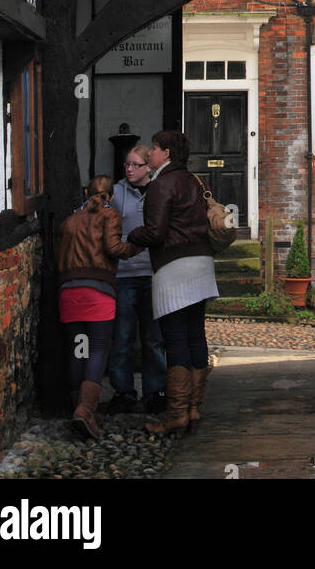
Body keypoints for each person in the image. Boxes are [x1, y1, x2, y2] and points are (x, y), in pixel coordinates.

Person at [127, 130, 218, 437]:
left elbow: (155, 232)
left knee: (175, 338)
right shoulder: (195, 181)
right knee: (195, 335)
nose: (150, 154)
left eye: (153, 149)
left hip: (174, 267)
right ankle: (193, 409)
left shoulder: (160, 186)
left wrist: (130, 237)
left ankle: (176, 415)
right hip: (202, 263)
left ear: (166, 153)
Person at [57, 175, 138, 439]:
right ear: (111, 196)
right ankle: (85, 411)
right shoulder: (109, 215)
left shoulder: (70, 221)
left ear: (85, 192)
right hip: (98, 293)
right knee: (98, 349)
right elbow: (113, 248)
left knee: (79, 348)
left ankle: (74, 406)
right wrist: (137, 246)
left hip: (70, 292)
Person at [108, 144, 168, 415]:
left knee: (153, 338)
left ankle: (155, 391)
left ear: (148, 167)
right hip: (123, 274)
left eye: (135, 165)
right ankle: (123, 392)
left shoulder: (160, 190)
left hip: (153, 273)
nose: (129, 170)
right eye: (127, 165)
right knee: (122, 336)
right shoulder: (117, 192)